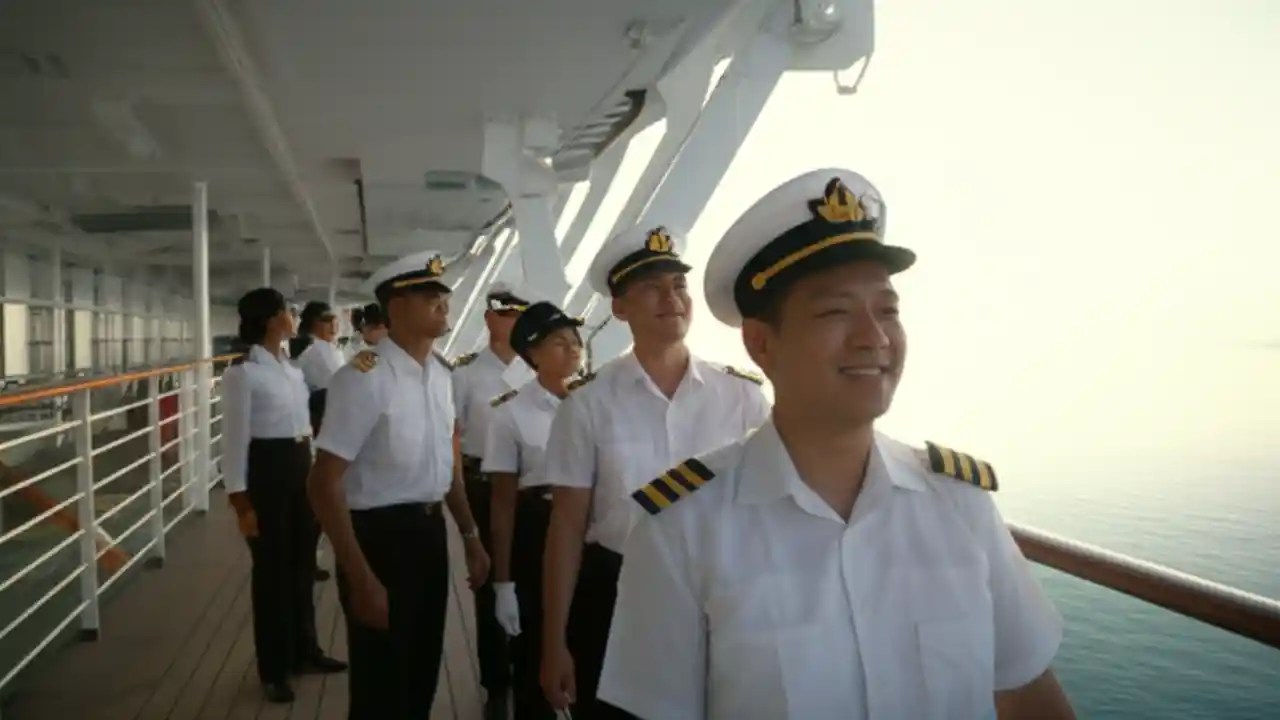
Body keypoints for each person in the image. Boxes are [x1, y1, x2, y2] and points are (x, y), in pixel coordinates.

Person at [597, 169, 1077, 719]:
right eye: (835, 312)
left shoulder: (960, 504)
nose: (873, 336)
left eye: (887, 310)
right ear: (761, 343)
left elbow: (1023, 689)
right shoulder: (681, 528)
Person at [539, 225, 772, 717]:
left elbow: (767, 511)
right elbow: (566, 526)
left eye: (678, 285)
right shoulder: (588, 405)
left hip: (719, 594)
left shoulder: (743, 396)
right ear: (619, 307)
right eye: (651, 287)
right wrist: (553, 640)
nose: (672, 298)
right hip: (617, 594)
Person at [307, 251, 491, 719]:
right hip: (379, 541)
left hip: (429, 536)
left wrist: (469, 535)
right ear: (396, 307)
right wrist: (359, 576)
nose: (443, 302)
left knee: (422, 672)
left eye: (443, 294)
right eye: (428, 295)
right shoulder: (363, 379)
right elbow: (323, 483)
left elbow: (447, 467)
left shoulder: (441, 378)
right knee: (381, 686)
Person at [221, 288, 347, 705]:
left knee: (301, 566)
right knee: (272, 575)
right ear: (273, 320)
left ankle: (305, 650)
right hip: (267, 475)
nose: (295, 316)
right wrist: (241, 501)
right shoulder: (243, 374)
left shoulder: (291, 370)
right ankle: (274, 668)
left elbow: (304, 430)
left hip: (299, 470)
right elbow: (234, 441)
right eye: (288, 311)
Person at [485, 301, 585, 720]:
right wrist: (503, 582)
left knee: (585, 639)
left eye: (575, 342)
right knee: (535, 651)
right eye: (559, 343)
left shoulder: (596, 403)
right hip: (536, 529)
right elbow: (503, 503)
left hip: (588, 529)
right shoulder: (510, 413)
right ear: (532, 355)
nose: (573, 351)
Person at [452, 281, 534, 717]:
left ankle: (526, 675)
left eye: (521, 315)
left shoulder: (537, 369)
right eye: (507, 314)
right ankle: (496, 683)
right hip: (484, 486)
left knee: (528, 583)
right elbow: (454, 438)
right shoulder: (465, 373)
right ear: (489, 319)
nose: (515, 322)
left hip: (531, 491)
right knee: (489, 584)